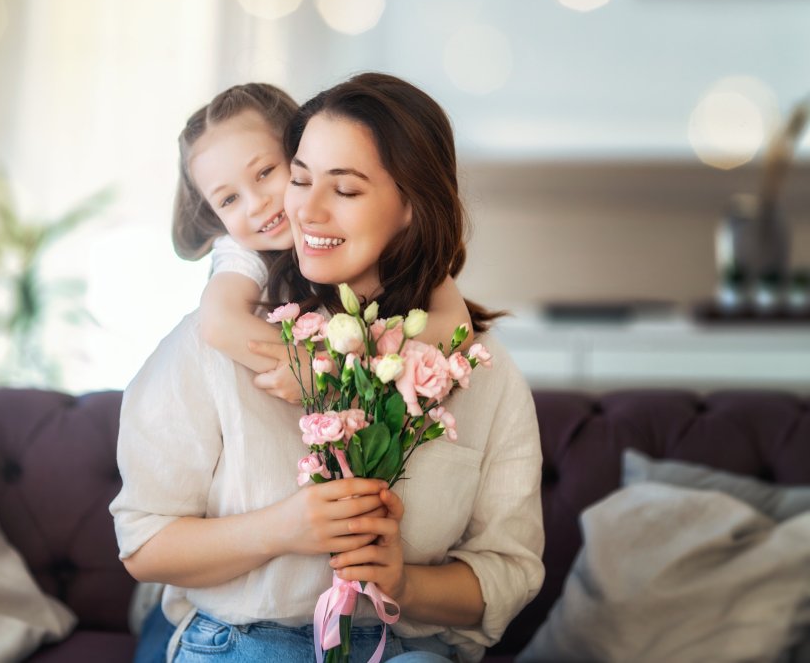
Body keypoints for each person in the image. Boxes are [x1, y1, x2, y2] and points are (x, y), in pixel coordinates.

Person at [112, 73, 544, 663]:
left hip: (405, 645)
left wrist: (405, 583)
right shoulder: (220, 338)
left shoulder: (480, 370)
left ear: (411, 206)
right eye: (301, 179)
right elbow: (144, 545)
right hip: (249, 641)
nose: (302, 211)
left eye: (344, 189)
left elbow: (509, 571)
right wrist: (283, 528)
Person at [173, 83, 474, 405]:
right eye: (229, 199)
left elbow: (457, 325)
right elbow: (219, 323)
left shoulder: (388, 256)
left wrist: (342, 364)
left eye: (265, 173)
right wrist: (313, 366)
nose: (256, 204)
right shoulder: (241, 253)